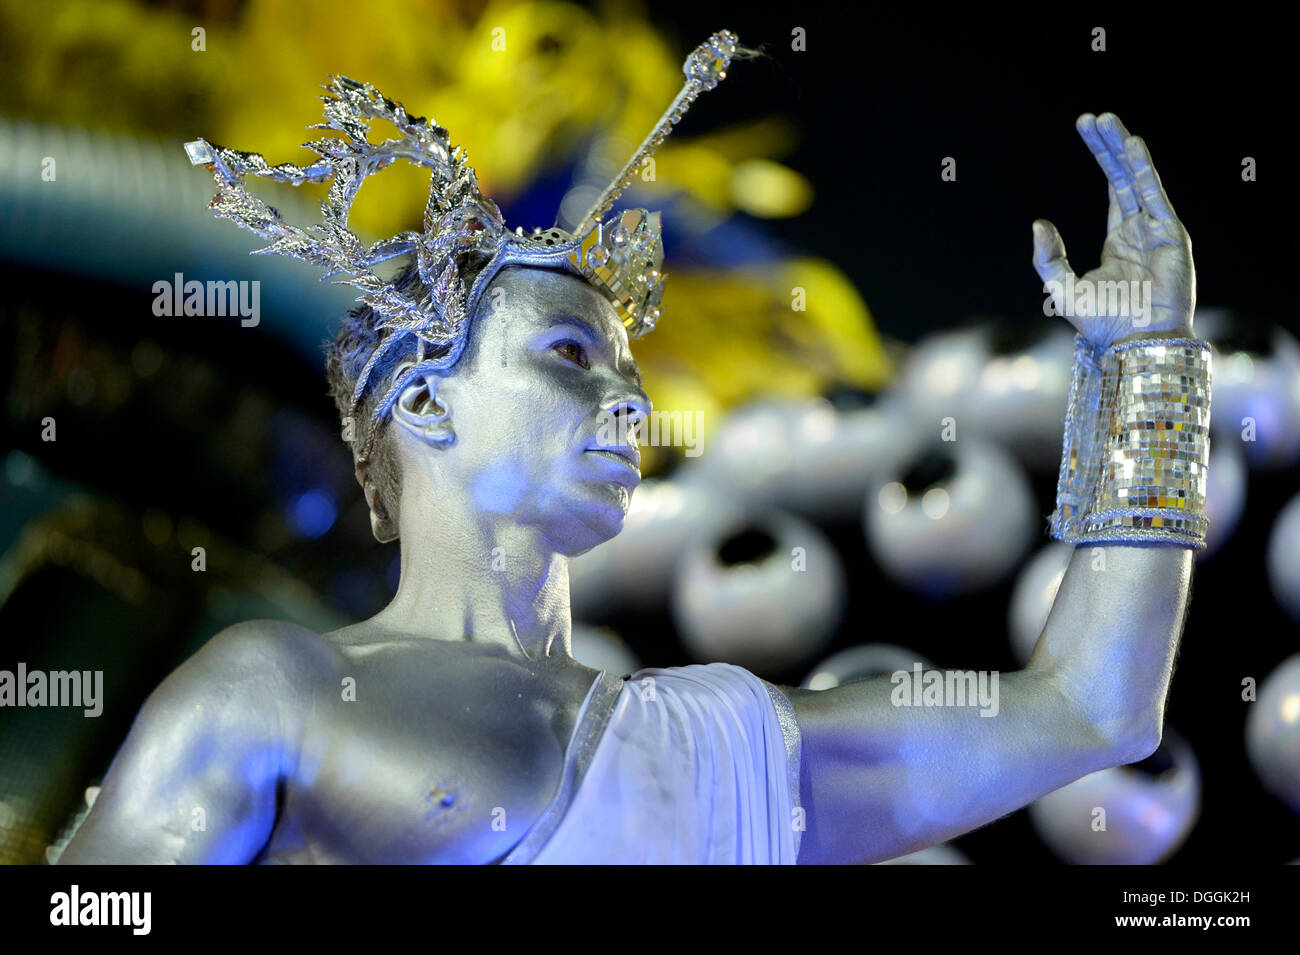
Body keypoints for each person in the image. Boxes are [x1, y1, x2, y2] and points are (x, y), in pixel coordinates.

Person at [59, 32, 1210, 864]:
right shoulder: (276, 688)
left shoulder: (727, 736)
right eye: (569, 356)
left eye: (627, 369)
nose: (624, 400)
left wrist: (1148, 362)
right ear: (425, 405)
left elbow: (1088, 709)